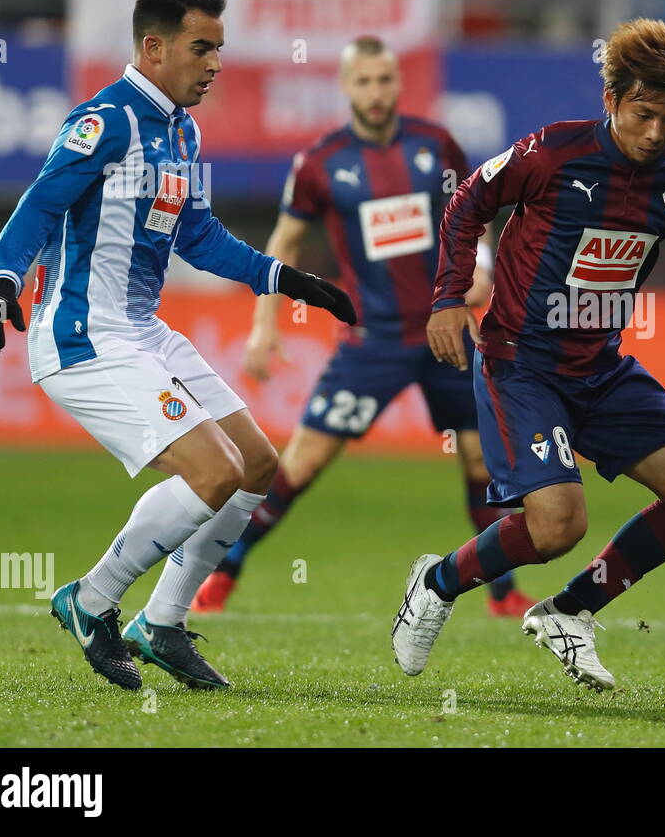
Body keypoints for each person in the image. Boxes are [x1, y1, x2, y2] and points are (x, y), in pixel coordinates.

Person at [0, 0, 355, 691]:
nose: (214, 63)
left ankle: (162, 624)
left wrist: (284, 278)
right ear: (153, 47)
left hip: (144, 331)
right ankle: (90, 600)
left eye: (220, 49)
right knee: (211, 473)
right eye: (200, 47)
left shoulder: (182, 129)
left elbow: (197, 236)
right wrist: (1, 284)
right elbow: (40, 205)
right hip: (85, 336)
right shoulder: (104, 120)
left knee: (257, 465)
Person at [391, 18, 665, 691]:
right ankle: (435, 583)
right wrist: (448, 298)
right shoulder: (552, 153)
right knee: (556, 527)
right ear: (612, 101)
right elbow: (467, 206)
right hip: (521, 364)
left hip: (601, 369)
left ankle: (571, 611)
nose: (656, 132)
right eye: (644, 114)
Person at [191, 35, 534, 617]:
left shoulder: (437, 146)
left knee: (482, 460)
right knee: (301, 463)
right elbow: (285, 241)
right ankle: (224, 571)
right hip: (371, 342)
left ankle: (502, 593)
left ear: (398, 84)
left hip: (446, 330)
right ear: (346, 87)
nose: (376, 92)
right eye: (364, 81)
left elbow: (476, 216)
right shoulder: (320, 164)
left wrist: (483, 273)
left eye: (385, 79)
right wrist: (263, 325)